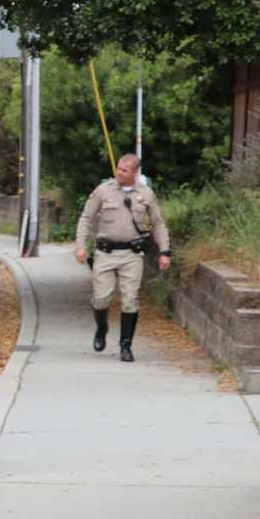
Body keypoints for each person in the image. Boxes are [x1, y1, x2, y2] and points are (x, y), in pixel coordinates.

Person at [75, 153, 171, 362]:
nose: (119, 172)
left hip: (132, 254)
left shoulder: (145, 194)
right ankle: (101, 328)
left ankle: (125, 346)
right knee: (101, 299)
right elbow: (86, 218)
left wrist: (164, 251)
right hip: (105, 253)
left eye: (124, 170)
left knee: (130, 300)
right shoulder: (103, 190)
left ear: (135, 173)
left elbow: (158, 223)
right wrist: (81, 246)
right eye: (118, 168)